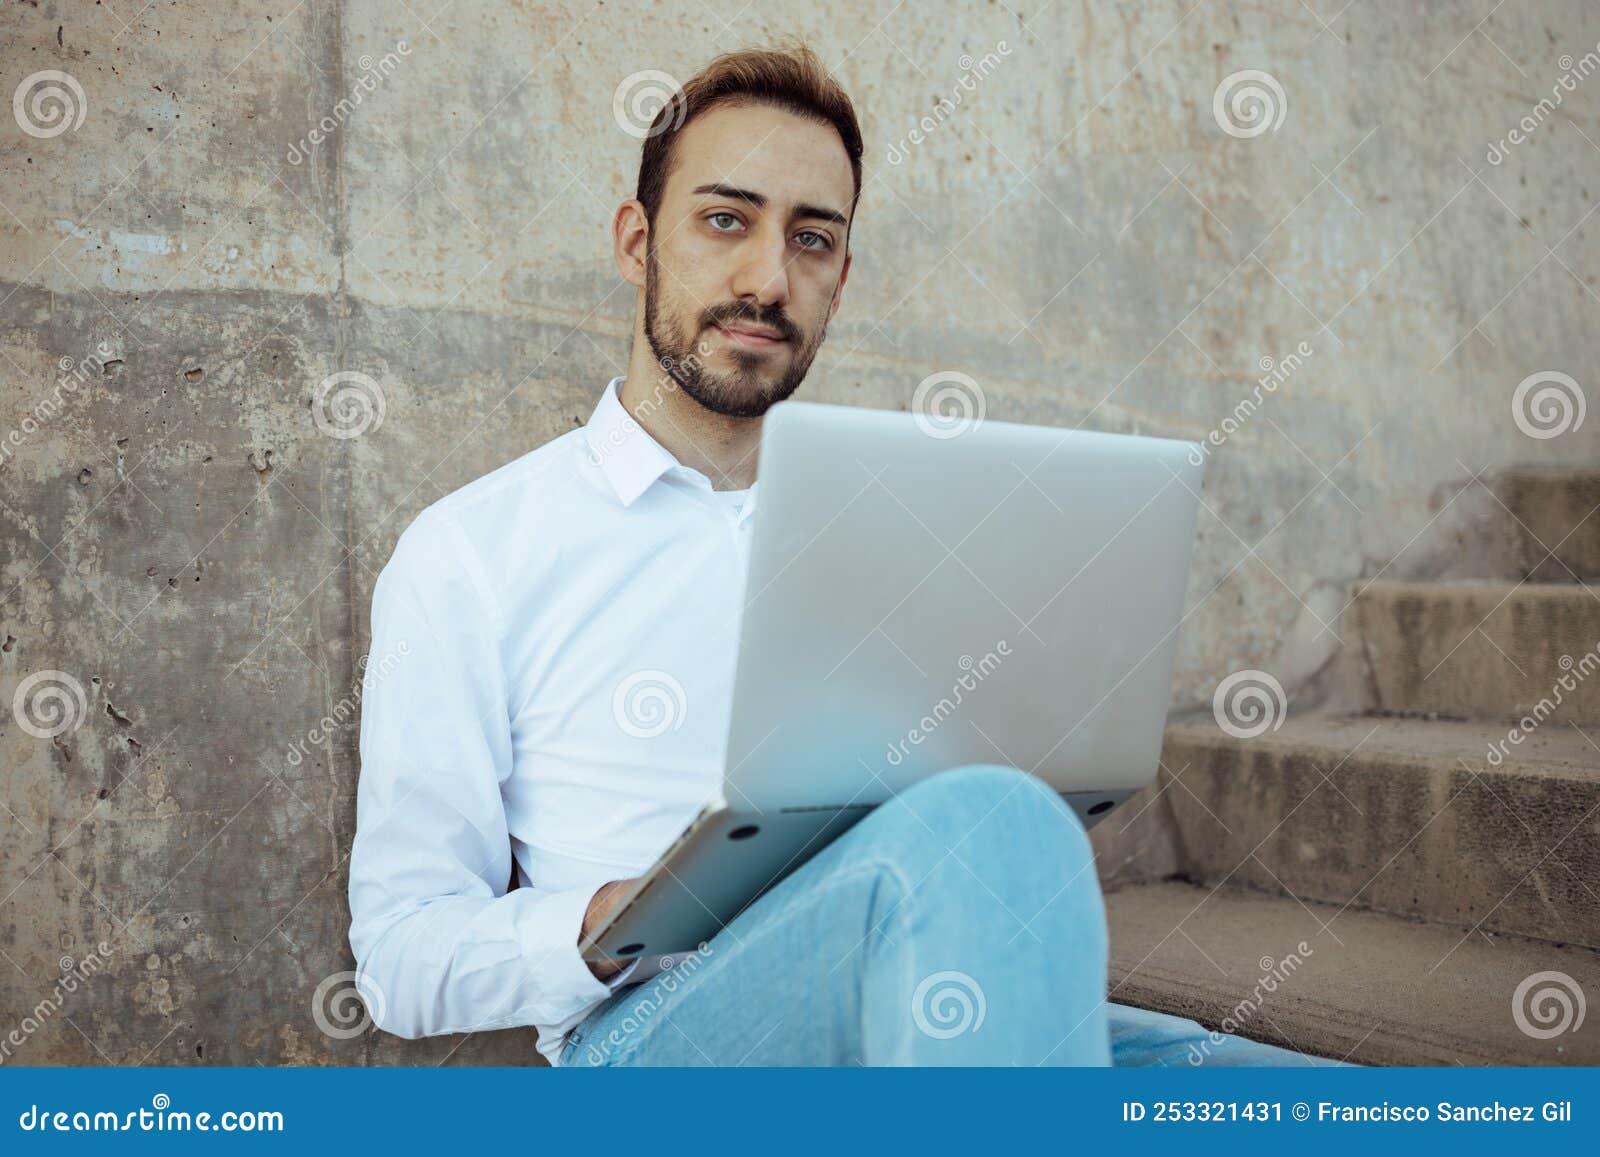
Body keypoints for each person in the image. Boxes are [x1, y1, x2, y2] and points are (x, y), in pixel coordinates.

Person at [347, 44, 1325, 1068]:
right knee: (988, 819)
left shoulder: (905, 521)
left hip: (916, 973)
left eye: (810, 240)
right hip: (650, 1037)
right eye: (726, 220)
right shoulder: (470, 553)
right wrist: (616, 913)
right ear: (637, 243)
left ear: (841, 279)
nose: (768, 280)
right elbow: (401, 956)